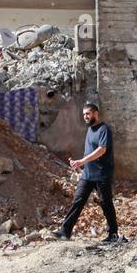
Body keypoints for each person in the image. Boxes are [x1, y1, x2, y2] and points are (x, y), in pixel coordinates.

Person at [56, 101, 123, 243]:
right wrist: (79, 163)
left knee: (106, 204)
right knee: (78, 201)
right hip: (88, 174)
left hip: (102, 174)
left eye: (88, 113)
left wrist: (82, 161)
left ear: (96, 114)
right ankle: (65, 231)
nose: (85, 116)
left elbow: (102, 149)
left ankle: (113, 234)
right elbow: (90, 151)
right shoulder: (90, 129)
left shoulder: (104, 129)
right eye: (84, 114)